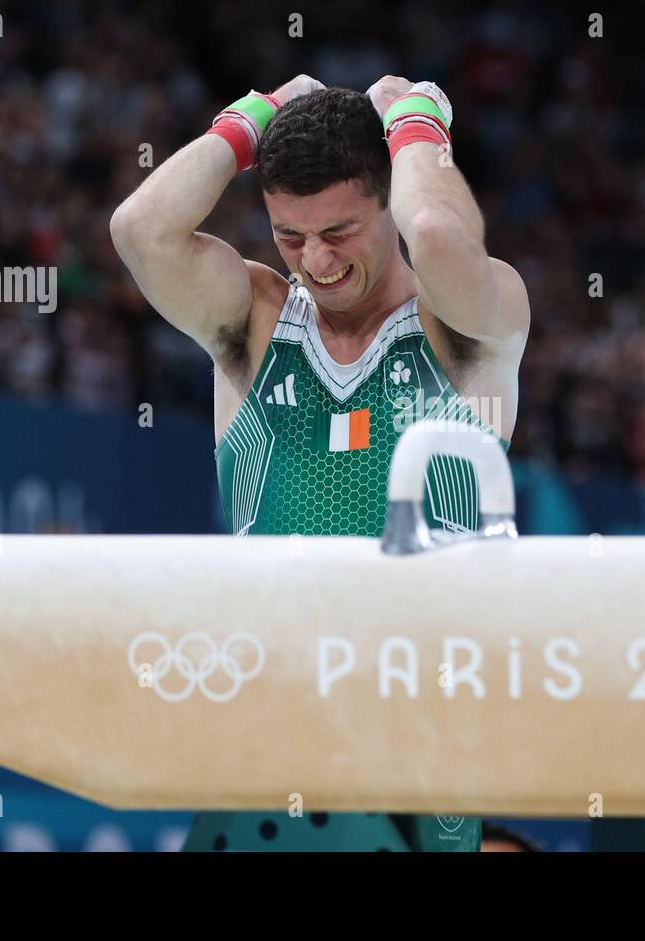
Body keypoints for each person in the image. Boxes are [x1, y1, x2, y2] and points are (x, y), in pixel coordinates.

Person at [110, 74, 530, 851]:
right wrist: (253, 117)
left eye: (338, 231)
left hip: (420, 735)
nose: (314, 261)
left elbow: (437, 230)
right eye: (289, 235)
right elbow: (142, 228)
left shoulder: (467, 328)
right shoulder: (256, 319)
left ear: (388, 198)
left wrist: (415, 118)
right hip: (265, 726)